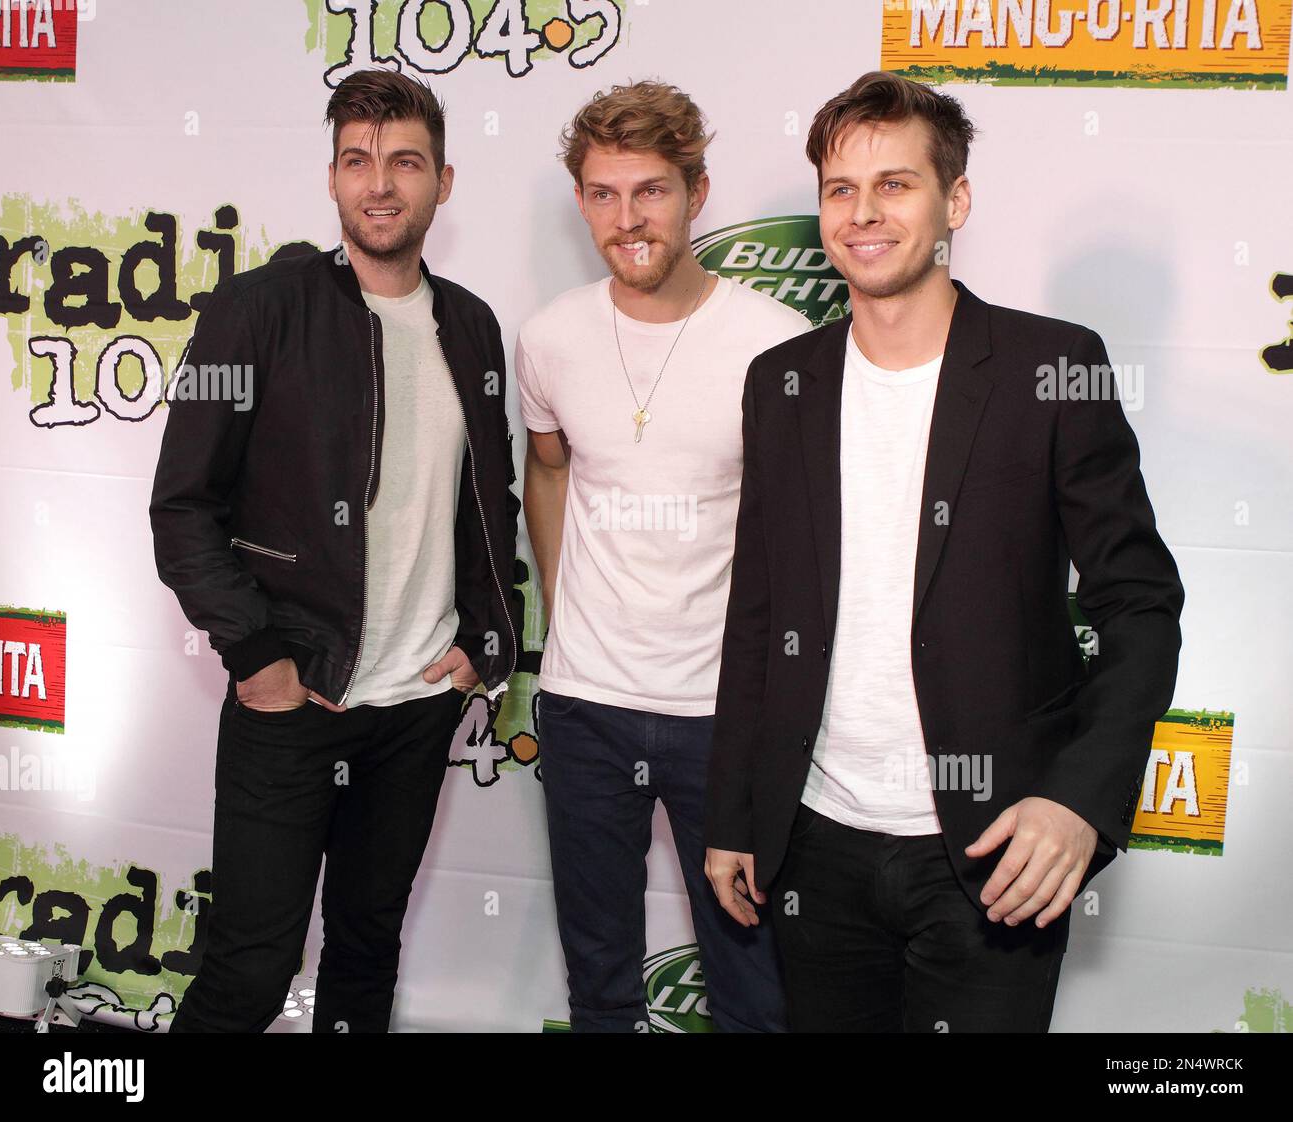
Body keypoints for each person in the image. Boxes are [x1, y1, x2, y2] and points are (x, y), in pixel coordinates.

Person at [703, 71, 1185, 1033]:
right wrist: (731, 814)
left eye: (895, 184)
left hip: (993, 846)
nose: (863, 213)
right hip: (816, 841)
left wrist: (1079, 799)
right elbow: (758, 608)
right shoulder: (781, 382)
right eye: (840, 189)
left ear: (953, 201)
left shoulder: (1051, 365)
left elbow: (1139, 602)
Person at [150, 68, 520, 1033]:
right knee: (249, 968)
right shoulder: (257, 310)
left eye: (404, 161)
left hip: (415, 711)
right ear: (331, 180)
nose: (380, 183)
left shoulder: (473, 328)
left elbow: (490, 502)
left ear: (445, 178)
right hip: (296, 697)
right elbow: (182, 506)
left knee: (365, 950)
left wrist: (489, 641)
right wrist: (257, 653)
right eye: (358, 161)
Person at [518, 81, 811, 1032]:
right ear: (581, 202)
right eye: (603, 194)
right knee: (599, 980)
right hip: (584, 710)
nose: (627, 218)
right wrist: (570, 628)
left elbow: (796, 536)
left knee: (750, 986)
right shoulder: (551, 337)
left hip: (721, 714)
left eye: (650, 190)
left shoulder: (775, 343)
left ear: (697, 192)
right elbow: (550, 475)